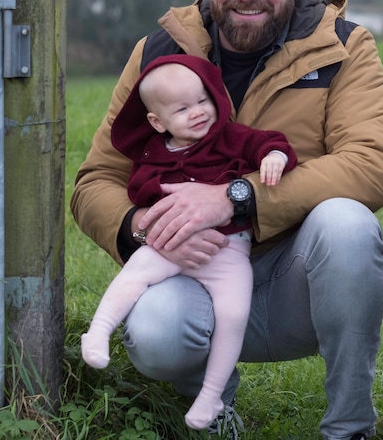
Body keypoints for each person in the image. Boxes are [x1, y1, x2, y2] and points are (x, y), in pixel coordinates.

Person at [70, 0, 383, 440]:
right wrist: (145, 226)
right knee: (154, 331)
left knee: (347, 223)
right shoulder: (159, 53)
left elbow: (369, 165)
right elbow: (95, 182)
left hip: (300, 279)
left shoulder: (343, 46)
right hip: (194, 270)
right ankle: (213, 410)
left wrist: (235, 198)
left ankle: (348, 426)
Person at [80, 54, 298, 430]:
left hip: (228, 250)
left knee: (233, 314)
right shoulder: (152, 154)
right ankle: (98, 331)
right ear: (156, 121)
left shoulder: (228, 136)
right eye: (182, 109)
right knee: (136, 274)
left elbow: (267, 143)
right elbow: (138, 192)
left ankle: (211, 397)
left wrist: (275, 157)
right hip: (170, 243)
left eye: (202, 101)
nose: (198, 113)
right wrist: (153, 220)